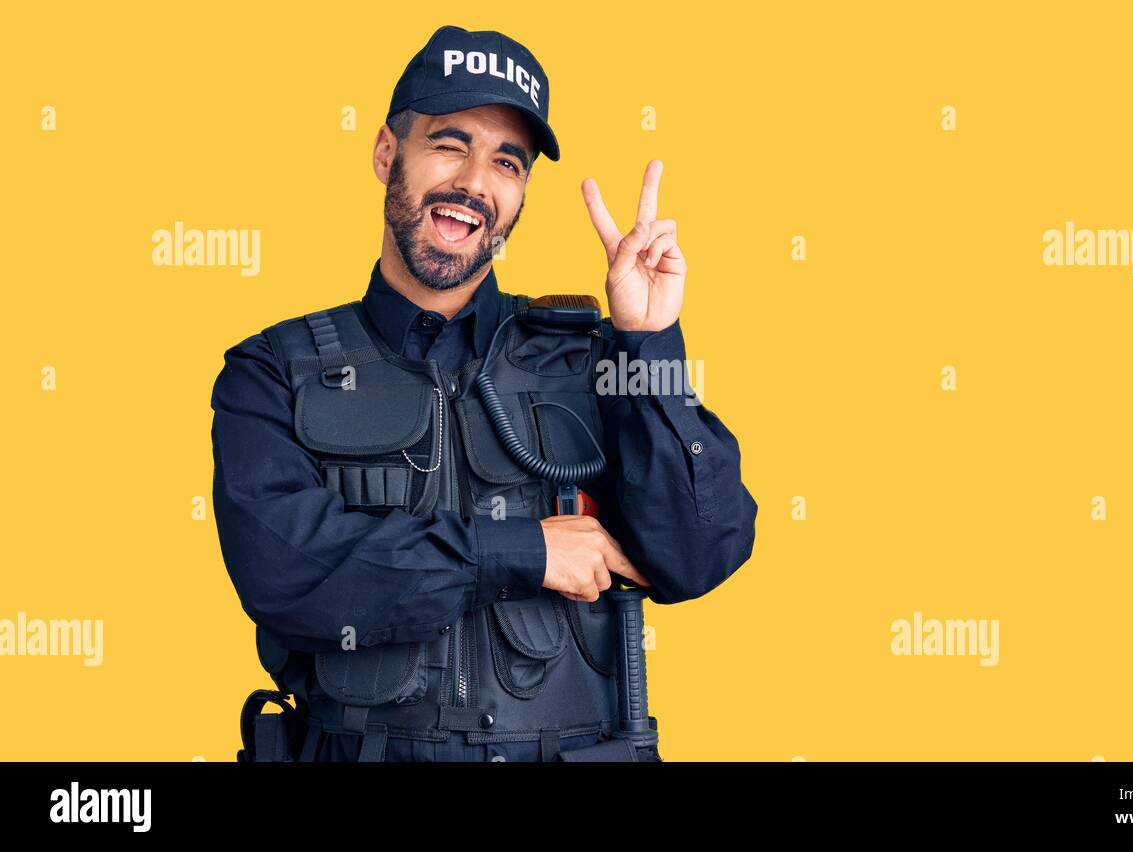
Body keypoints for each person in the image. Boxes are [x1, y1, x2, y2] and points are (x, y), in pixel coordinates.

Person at [210, 24, 757, 762]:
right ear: (385, 154)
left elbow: (701, 556)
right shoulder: (272, 369)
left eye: (508, 161)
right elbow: (286, 575)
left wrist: (649, 343)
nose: (475, 180)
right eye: (449, 142)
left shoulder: (595, 356)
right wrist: (519, 551)